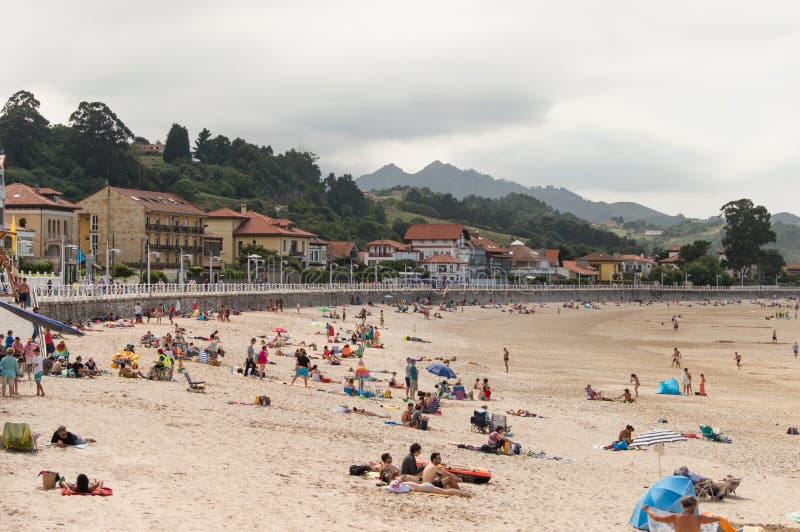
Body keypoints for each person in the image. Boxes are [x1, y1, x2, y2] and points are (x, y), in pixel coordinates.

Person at [643, 496, 719, 531]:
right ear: (695, 505)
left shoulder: (675, 517)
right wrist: (709, 515)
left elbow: (656, 518)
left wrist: (647, 510)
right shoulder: (699, 518)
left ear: (683, 506)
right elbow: (717, 519)